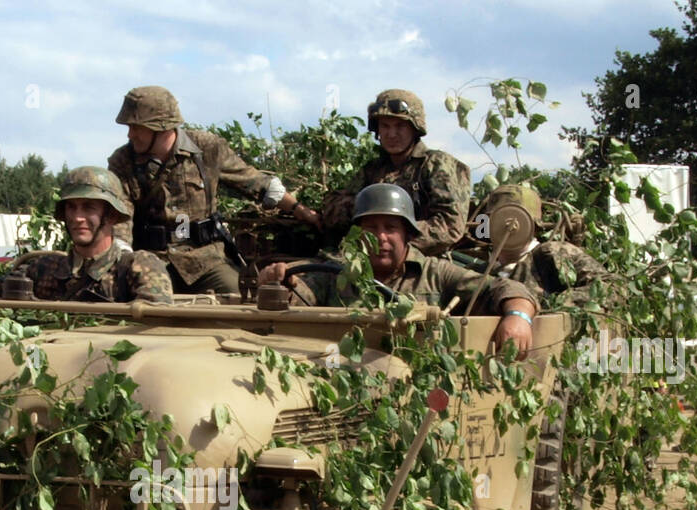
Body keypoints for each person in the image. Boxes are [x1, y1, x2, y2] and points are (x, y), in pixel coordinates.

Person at [259, 184, 536, 352]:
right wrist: (278, 283)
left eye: (391, 228)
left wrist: (517, 316)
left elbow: (507, 287)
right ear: (357, 235)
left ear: (408, 235)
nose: (381, 237)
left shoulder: (435, 274)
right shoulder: (336, 273)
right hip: (343, 382)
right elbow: (299, 295)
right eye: (371, 228)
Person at [108, 86, 319, 295]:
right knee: (140, 302)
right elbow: (120, 218)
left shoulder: (206, 148)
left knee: (238, 299)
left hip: (205, 261)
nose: (130, 134)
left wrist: (300, 210)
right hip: (152, 261)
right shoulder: (123, 162)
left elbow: (254, 182)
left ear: (161, 127)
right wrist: (125, 260)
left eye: (137, 127)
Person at [322, 90, 471, 256]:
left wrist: (398, 238)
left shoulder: (436, 164)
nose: (391, 134)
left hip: (424, 261)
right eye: (385, 126)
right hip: (372, 257)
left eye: (400, 126)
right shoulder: (373, 169)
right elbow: (333, 209)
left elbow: (450, 226)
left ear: (415, 129)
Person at [6, 167, 173, 304]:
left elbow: (156, 326)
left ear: (112, 215)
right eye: (71, 207)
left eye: (89, 207)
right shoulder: (42, 269)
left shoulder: (138, 267)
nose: (77, 218)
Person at [475, 185, 609, 307]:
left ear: (533, 224)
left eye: (516, 217)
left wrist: (556, 305)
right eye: (497, 218)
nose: (507, 224)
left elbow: (611, 287)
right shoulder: (478, 273)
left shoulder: (552, 254)